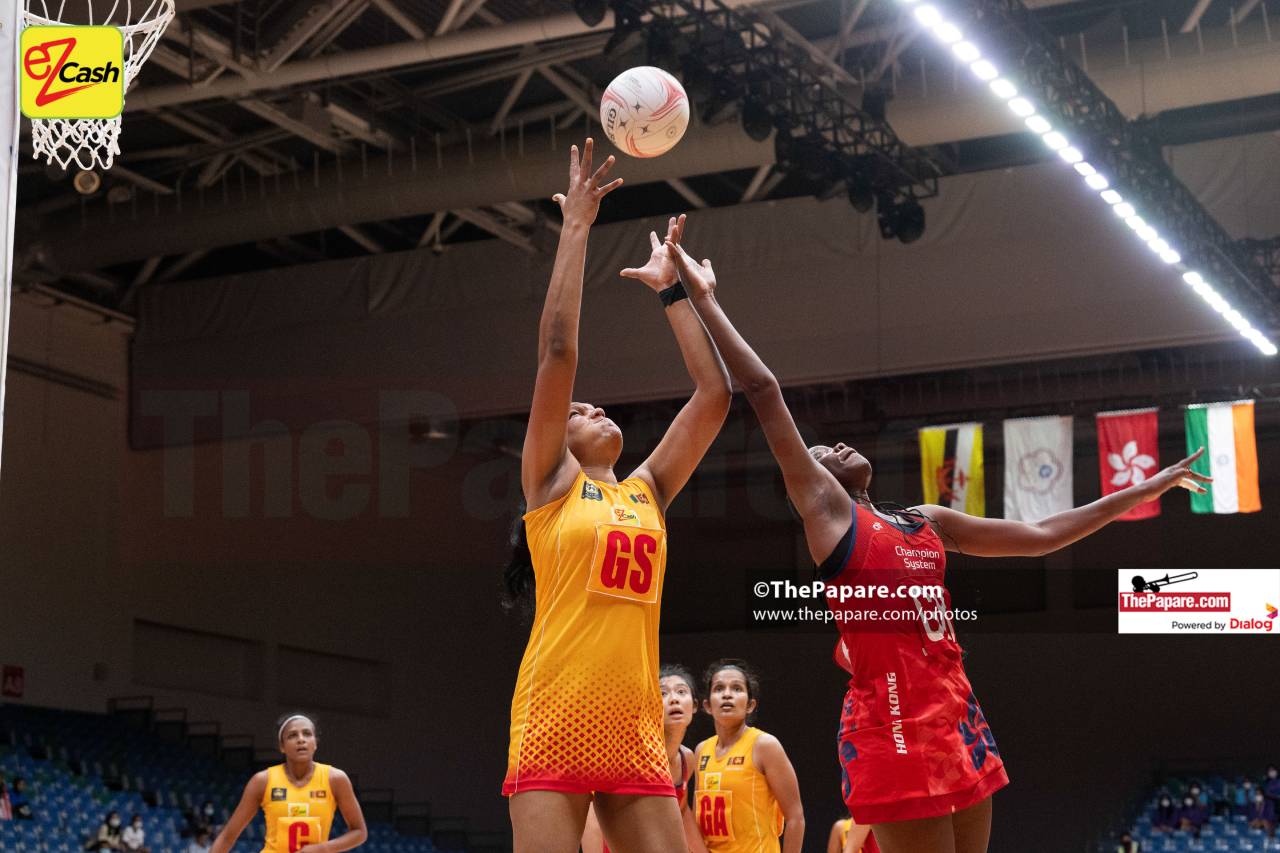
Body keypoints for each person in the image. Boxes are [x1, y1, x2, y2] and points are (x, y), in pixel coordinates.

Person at [664, 234, 1212, 853]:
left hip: (954, 711)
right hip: (890, 722)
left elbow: (1040, 535)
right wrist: (704, 300)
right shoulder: (831, 520)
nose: (833, 448)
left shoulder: (924, 520)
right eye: (819, 456)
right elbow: (764, 391)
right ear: (812, 487)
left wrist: (1143, 489)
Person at [502, 140, 731, 853]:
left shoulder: (647, 492)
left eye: (595, 407)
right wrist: (577, 230)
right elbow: (559, 354)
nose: (593, 407)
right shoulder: (549, 484)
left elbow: (716, 394)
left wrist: (676, 293)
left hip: (633, 723)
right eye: (578, 411)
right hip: (555, 709)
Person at [581, 665, 710, 853]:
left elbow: (681, 812)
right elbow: (591, 816)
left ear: (695, 705)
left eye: (681, 692)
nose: (674, 699)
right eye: (663, 694)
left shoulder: (686, 759)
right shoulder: (629, 755)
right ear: (650, 705)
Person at [210, 713, 367, 853]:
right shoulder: (262, 781)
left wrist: (322, 848)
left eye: (307, 734)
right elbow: (227, 837)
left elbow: (359, 832)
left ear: (315, 743)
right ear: (282, 746)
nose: (301, 739)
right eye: (292, 735)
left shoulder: (335, 779)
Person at [690, 660, 804, 853]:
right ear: (708, 705)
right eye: (719, 688)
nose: (727, 694)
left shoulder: (764, 745)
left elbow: (796, 818)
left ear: (750, 705)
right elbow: (697, 818)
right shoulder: (701, 750)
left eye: (736, 688)